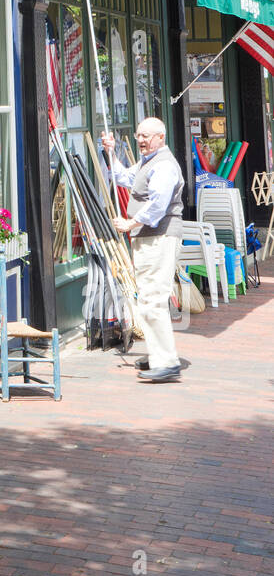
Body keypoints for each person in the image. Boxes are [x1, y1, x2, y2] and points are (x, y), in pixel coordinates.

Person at [100, 119, 184, 383]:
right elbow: (123, 177)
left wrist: (130, 224)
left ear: (161, 136)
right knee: (147, 297)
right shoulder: (148, 162)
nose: (141, 140)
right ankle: (157, 354)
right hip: (148, 239)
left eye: (146, 136)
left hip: (157, 238)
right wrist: (111, 153)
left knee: (153, 299)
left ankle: (167, 361)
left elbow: (158, 206)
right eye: (138, 135)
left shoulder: (164, 166)